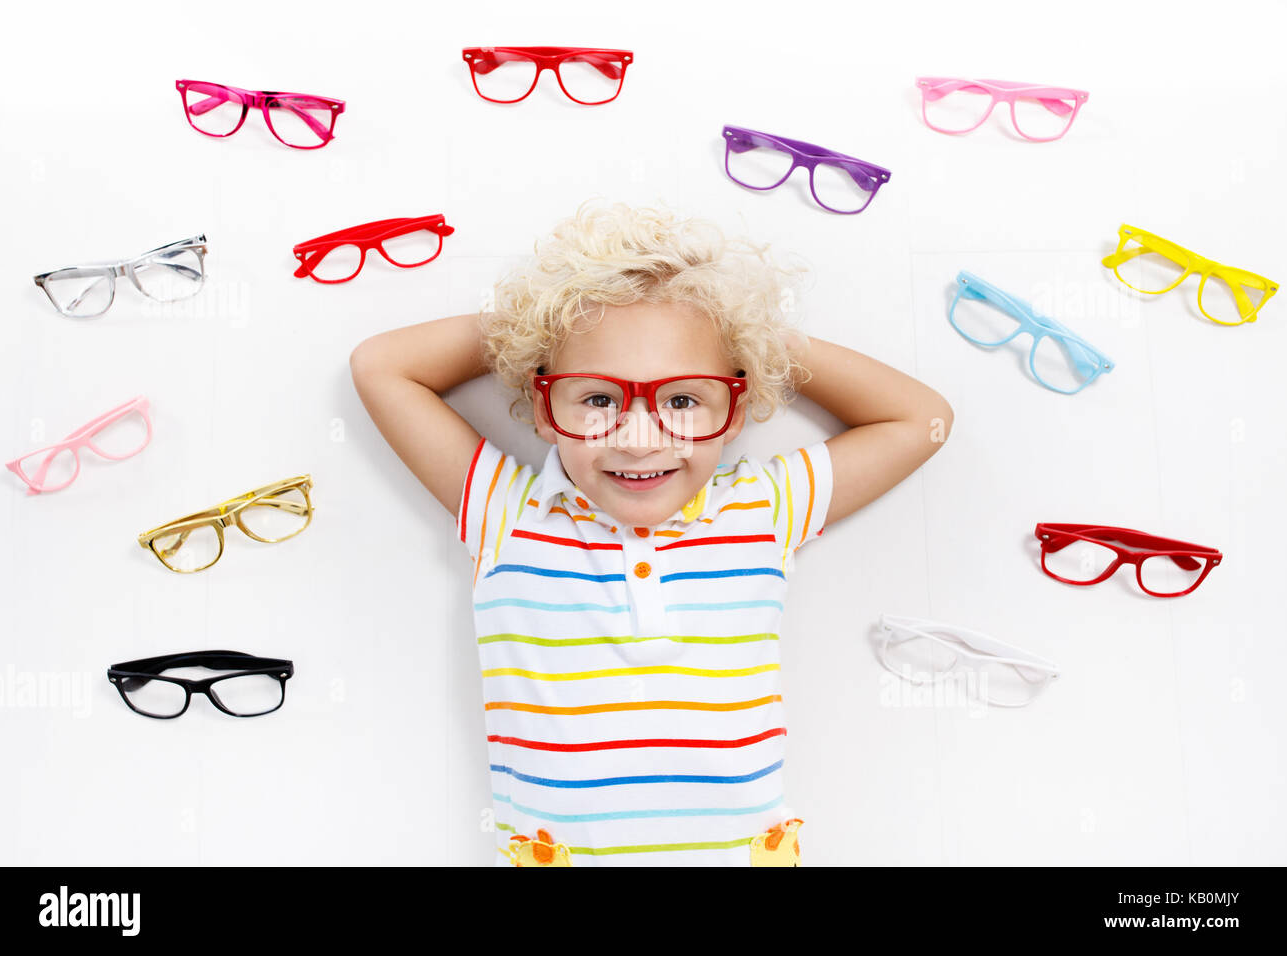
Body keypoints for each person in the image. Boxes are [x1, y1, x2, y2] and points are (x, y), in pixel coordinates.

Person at [350, 201, 953, 866]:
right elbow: (381, 366)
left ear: (737, 406)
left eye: (684, 400)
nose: (640, 440)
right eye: (599, 398)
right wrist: (546, 317)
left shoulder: (763, 509)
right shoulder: (507, 514)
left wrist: (740, 331)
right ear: (545, 406)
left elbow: (920, 418)